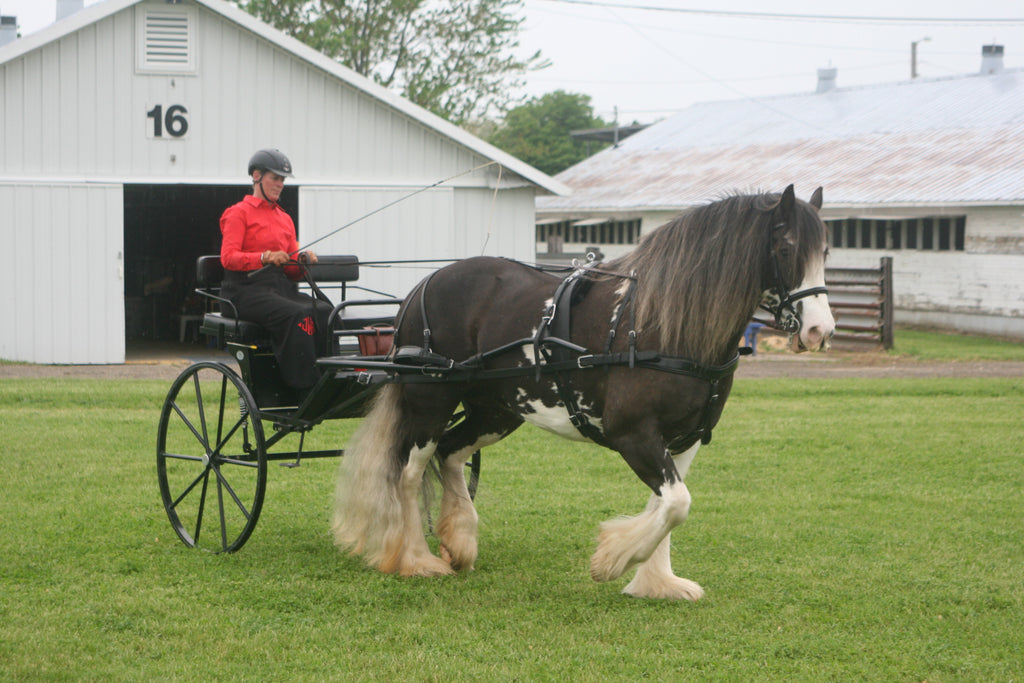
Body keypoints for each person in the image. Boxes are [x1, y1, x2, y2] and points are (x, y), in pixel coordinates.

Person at [219, 149, 333, 391]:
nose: (280, 184)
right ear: (257, 176)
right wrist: (264, 257)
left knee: (325, 311)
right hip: (244, 291)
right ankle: (305, 386)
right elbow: (228, 258)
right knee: (298, 315)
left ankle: (331, 377)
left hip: (278, 289)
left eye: (282, 179)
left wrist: (302, 261)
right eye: (275, 178)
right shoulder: (238, 213)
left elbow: (291, 271)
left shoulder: (284, 219)